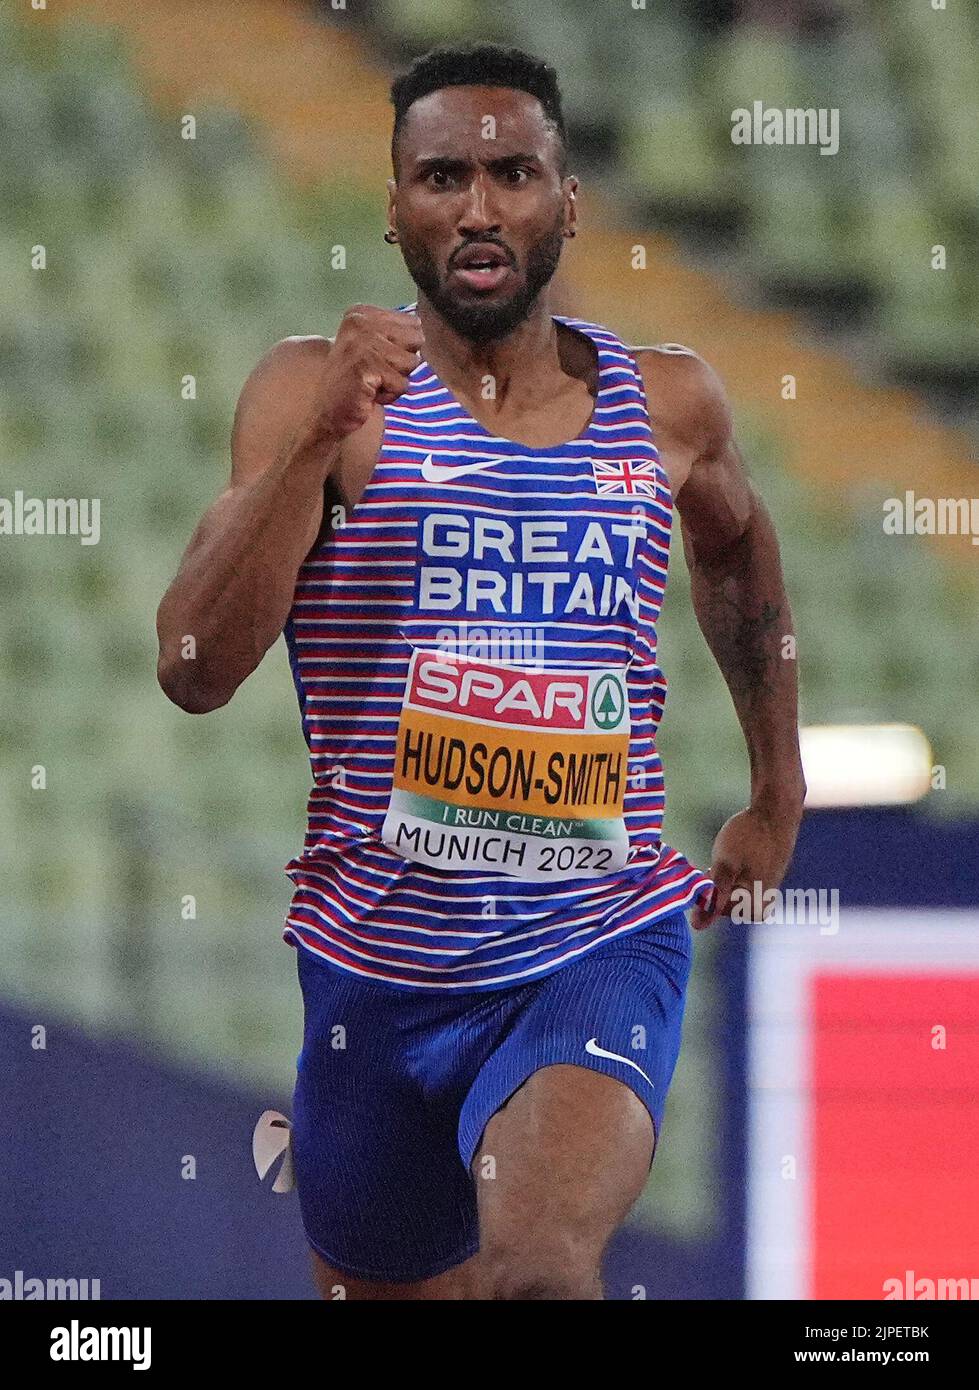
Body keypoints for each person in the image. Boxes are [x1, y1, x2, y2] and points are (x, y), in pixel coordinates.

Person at [156, 42, 805, 1300]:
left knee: (540, 1267)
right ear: (393, 206)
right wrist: (315, 444)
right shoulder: (310, 392)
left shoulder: (668, 404)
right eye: (443, 175)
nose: (479, 205)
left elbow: (737, 552)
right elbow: (193, 666)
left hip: (594, 934)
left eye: (514, 173)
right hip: (373, 972)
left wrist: (775, 790)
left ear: (569, 203)